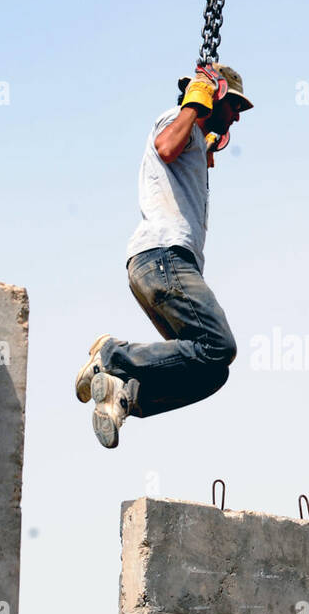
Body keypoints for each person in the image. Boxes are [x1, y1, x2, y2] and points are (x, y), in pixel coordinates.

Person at [75, 64, 252, 448]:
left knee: (209, 371)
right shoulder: (177, 120)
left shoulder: (193, 135)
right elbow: (167, 147)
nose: (238, 116)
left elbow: (184, 156)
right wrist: (194, 104)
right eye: (234, 104)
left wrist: (206, 143)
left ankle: (121, 396)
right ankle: (111, 354)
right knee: (220, 347)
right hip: (163, 258)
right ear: (213, 94)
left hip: (162, 266)